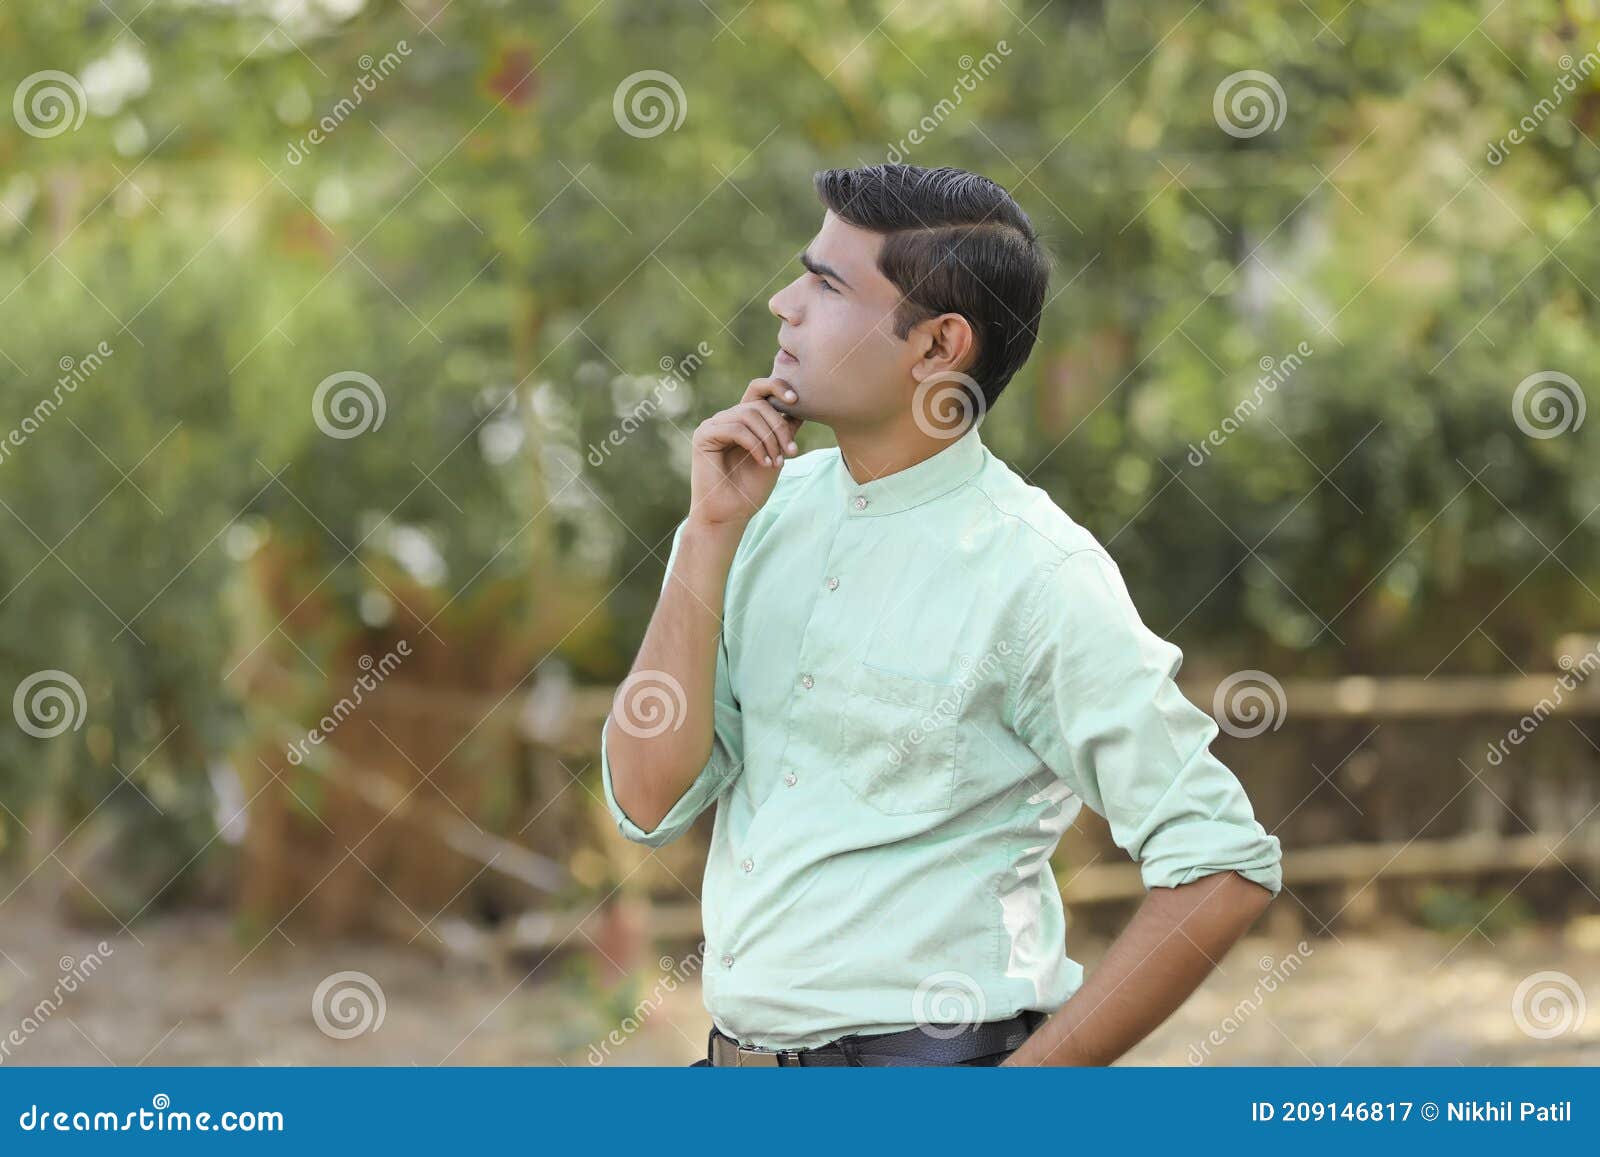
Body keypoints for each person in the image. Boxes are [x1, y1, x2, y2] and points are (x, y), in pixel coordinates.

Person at [600, 163, 1282, 1067]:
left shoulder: (1038, 573)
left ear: (937, 348)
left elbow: (1222, 866)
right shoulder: (753, 519)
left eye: (826, 283)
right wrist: (707, 534)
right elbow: (647, 801)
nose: (783, 302)